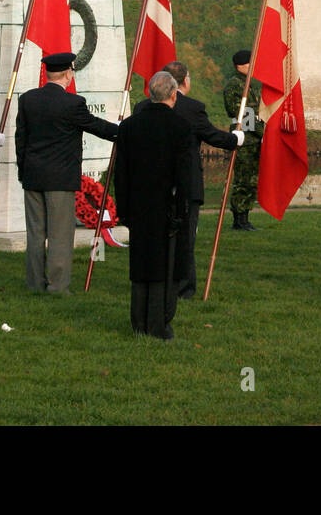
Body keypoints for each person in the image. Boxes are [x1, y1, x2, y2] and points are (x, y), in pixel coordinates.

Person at [132, 60, 244, 300]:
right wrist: (235, 139)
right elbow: (211, 135)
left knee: (156, 236)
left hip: (152, 183)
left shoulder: (141, 107)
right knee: (185, 238)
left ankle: (157, 281)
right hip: (186, 183)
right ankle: (183, 288)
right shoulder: (192, 108)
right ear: (183, 81)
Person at [15, 52, 119, 292]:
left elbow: (21, 139)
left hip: (33, 176)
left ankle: (35, 283)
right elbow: (96, 126)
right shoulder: (72, 103)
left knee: (35, 233)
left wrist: (23, 171)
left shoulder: (28, 99)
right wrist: (123, 130)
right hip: (60, 179)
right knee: (60, 235)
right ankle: (57, 285)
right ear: (68, 74)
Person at [116, 71, 192, 340]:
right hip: (167, 207)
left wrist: (123, 210)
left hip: (137, 205)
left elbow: (120, 173)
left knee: (140, 264)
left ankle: (138, 322)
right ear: (174, 95)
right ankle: (159, 324)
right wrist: (184, 211)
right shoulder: (181, 127)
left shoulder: (128, 127)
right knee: (166, 266)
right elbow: (186, 175)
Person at [223, 50, 263, 232]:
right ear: (240, 66)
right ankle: (239, 218)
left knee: (252, 180)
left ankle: (245, 216)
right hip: (244, 138)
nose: (252, 67)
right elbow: (241, 113)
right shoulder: (235, 85)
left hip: (253, 138)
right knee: (243, 180)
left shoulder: (249, 85)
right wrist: (263, 132)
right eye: (249, 64)